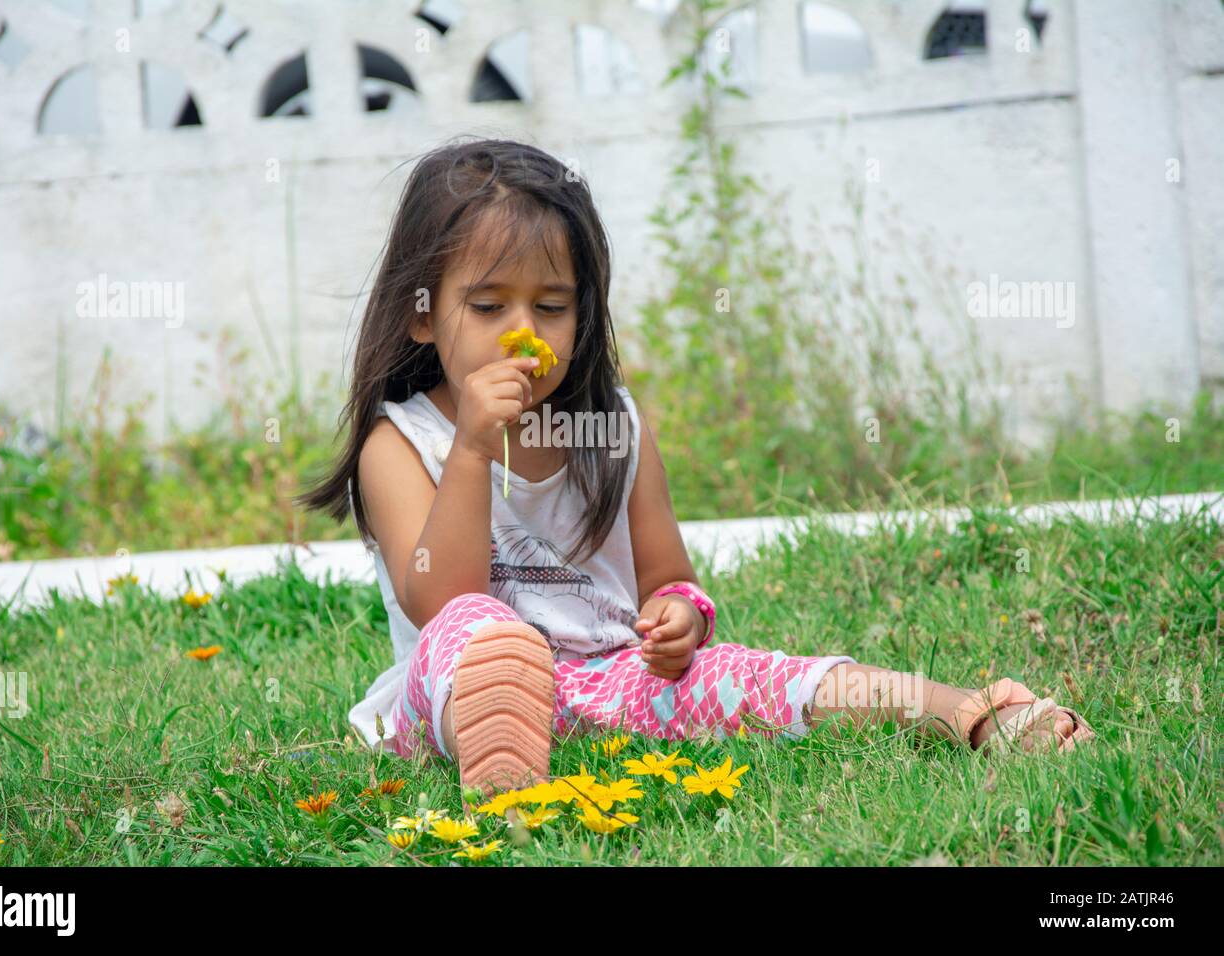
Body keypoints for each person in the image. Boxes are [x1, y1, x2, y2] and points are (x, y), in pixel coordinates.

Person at [298, 137, 1095, 799]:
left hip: (610, 684)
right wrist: (473, 448)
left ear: (583, 310)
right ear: (421, 313)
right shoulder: (401, 443)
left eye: (550, 306)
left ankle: (967, 713)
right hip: (443, 701)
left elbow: (668, 582)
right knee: (481, 636)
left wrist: (681, 622)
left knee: (752, 674)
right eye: (487, 306)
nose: (522, 333)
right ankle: (502, 756)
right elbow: (442, 602)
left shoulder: (611, 426)